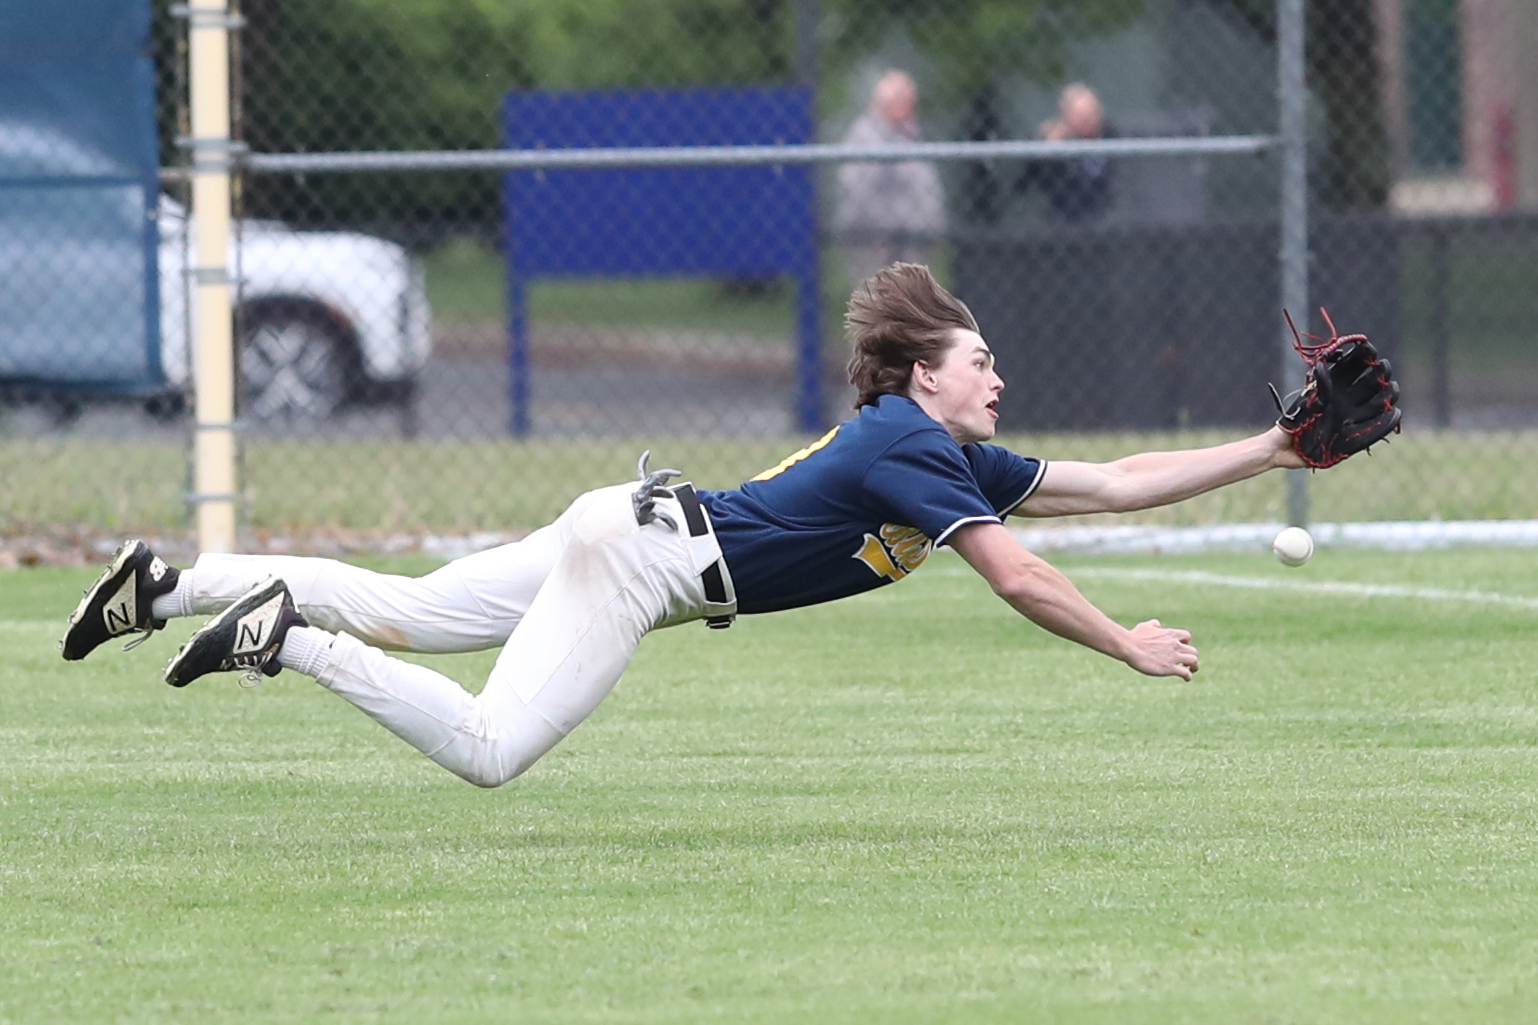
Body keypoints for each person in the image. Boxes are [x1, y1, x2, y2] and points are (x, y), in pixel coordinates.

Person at [62, 263, 1328, 790]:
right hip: (644, 561)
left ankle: (171, 583)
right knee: (490, 748)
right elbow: (1020, 575)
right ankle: (284, 640)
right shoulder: (906, 445)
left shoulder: (938, 448)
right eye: (977, 359)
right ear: (920, 374)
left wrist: (1268, 447)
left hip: (627, 518)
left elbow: (1109, 482)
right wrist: (1127, 641)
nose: (994, 377)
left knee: (412, 608)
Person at [835, 70, 947, 289]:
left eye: (910, 101)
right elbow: (855, 188)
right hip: (870, 237)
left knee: (914, 304)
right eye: (902, 101)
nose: (910, 106)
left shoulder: (913, 135)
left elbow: (927, 186)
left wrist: (933, 224)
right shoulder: (862, 136)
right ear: (883, 104)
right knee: (873, 305)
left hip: (912, 234)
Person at [1020, 82, 1115, 224]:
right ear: (1065, 117)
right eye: (1081, 115)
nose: (1089, 120)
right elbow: (1028, 182)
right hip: (1066, 222)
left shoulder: (1113, 136)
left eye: (1093, 113)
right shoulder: (1057, 144)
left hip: (1109, 217)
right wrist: (1048, 152)